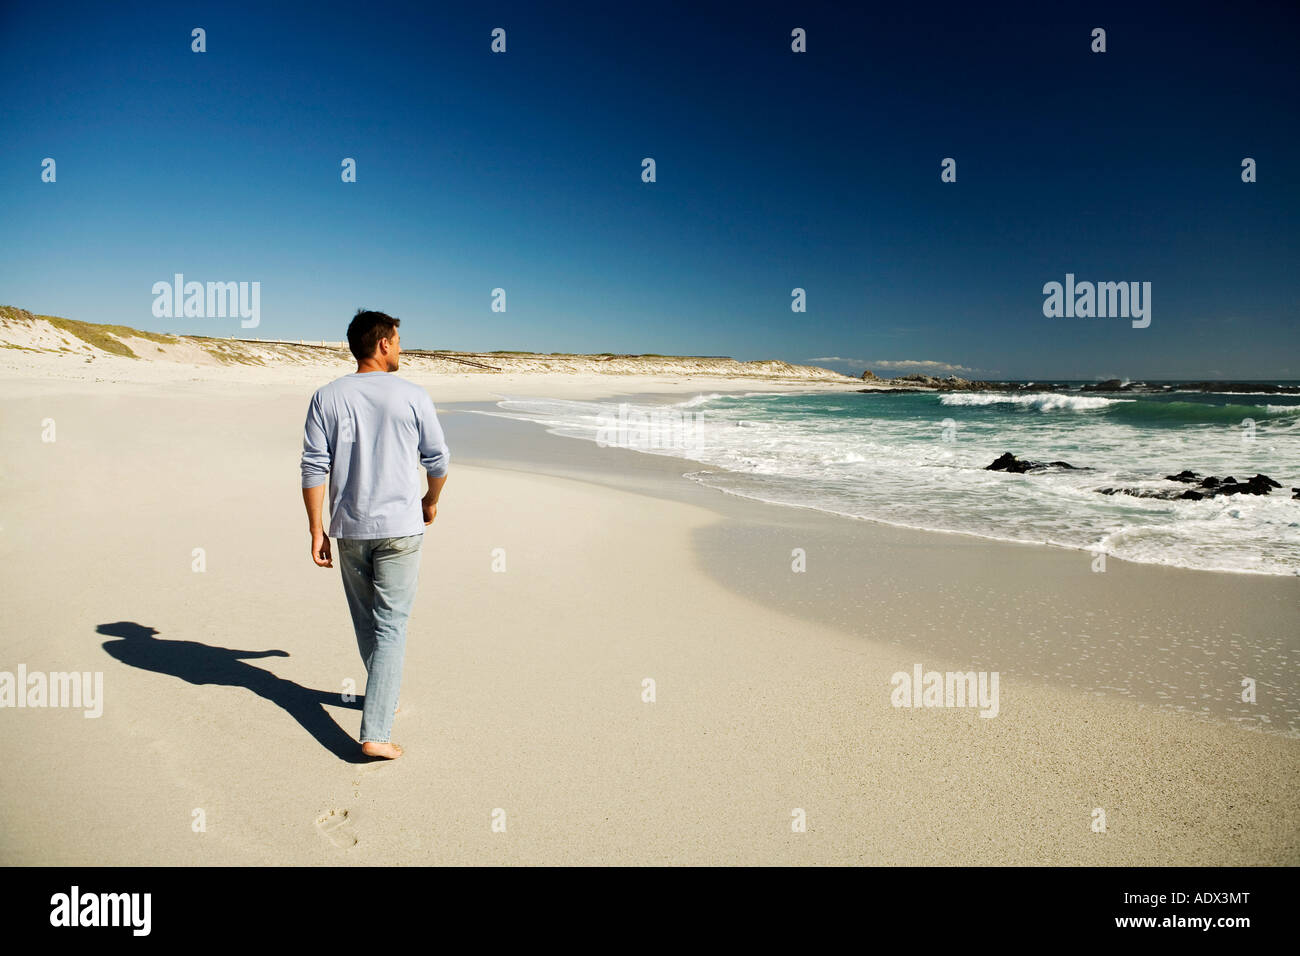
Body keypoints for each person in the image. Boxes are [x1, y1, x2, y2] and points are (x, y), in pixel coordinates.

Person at [299, 309, 449, 759]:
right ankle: (376, 733)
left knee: (370, 622)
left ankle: (381, 696)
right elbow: (438, 460)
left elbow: (313, 466)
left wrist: (315, 530)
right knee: (392, 626)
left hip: (350, 528)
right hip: (401, 529)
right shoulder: (413, 396)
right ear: (382, 344)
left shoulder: (326, 397)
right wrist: (431, 499)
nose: (401, 347)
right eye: (399, 340)